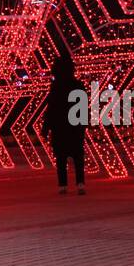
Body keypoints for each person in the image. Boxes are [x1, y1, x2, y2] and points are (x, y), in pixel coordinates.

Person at [44, 54, 87, 195]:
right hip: (75, 125)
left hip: (60, 126)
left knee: (61, 157)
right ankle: (80, 183)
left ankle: (62, 184)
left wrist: (46, 127)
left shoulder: (56, 87)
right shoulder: (78, 85)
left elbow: (51, 108)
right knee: (78, 155)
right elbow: (83, 106)